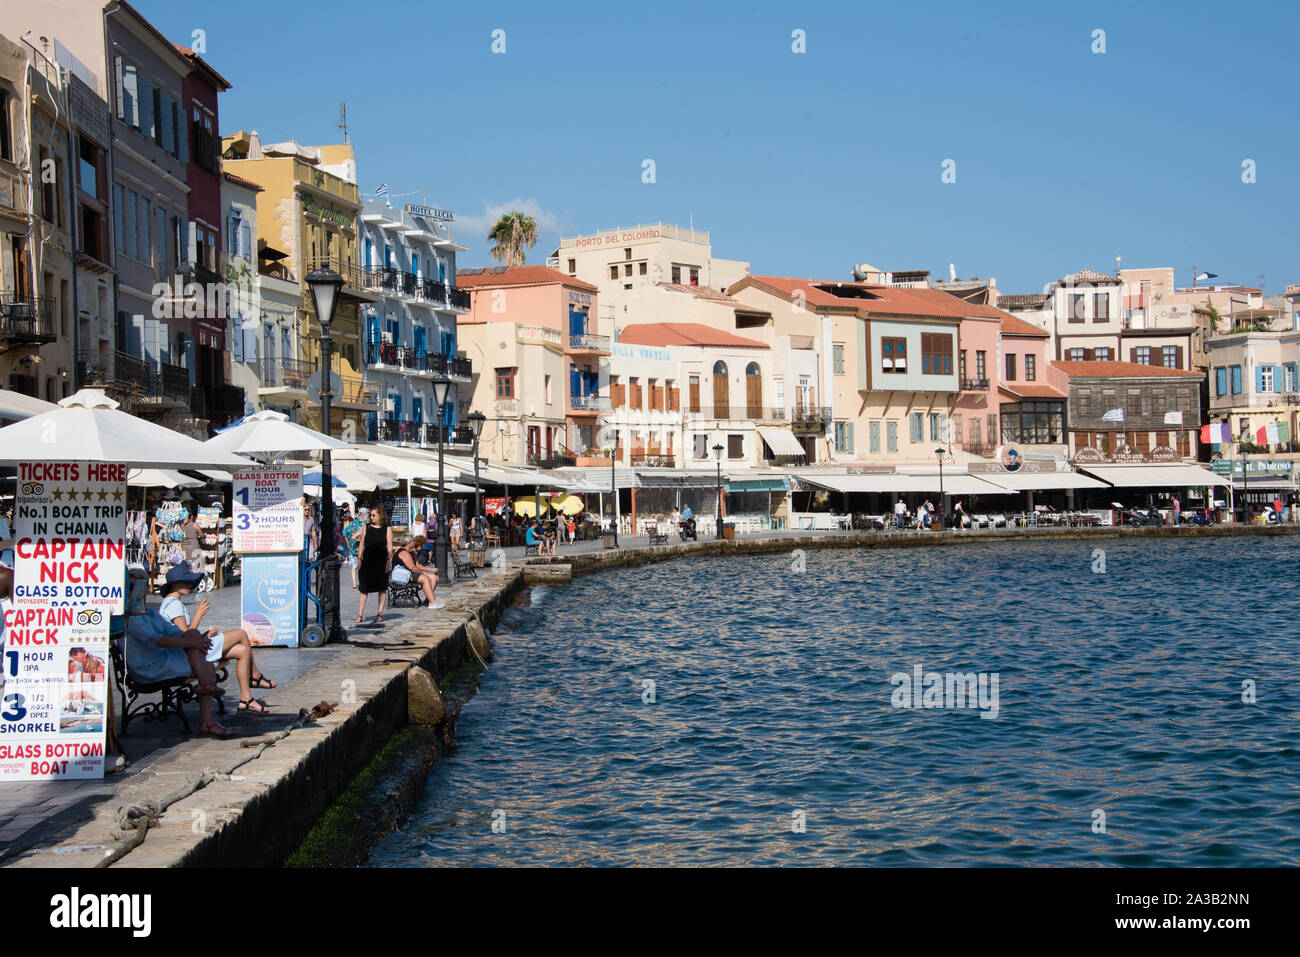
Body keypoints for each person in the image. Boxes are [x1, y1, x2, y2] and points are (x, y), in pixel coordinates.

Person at [121, 568, 231, 737]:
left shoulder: (148, 613)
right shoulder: (132, 617)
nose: (137, 592)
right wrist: (192, 641)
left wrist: (197, 639)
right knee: (207, 666)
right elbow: (155, 639)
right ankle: (207, 718)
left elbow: (174, 632)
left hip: (163, 657)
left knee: (198, 647)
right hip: (150, 666)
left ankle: (206, 711)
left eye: (140, 587)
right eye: (131, 587)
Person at [159, 565, 275, 713]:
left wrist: (206, 635)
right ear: (174, 585)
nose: (190, 586)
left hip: (191, 649)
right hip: (188, 653)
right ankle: (254, 676)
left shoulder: (171, 603)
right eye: (186, 582)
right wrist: (198, 615)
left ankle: (246, 698)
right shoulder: (173, 604)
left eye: (190, 582)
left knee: (243, 650)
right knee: (241, 633)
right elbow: (185, 635)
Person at [356, 505, 393, 624]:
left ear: (380, 516)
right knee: (364, 588)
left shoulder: (387, 529)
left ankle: (379, 614)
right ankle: (360, 614)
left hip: (381, 561)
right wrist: (359, 557)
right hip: (368, 560)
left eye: (373, 515)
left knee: (381, 588)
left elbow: (389, 546)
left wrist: (388, 561)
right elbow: (362, 543)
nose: (371, 517)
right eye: (370, 515)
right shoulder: (366, 527)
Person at [391, 535, 444, 609]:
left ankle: (428, 601)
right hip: (402, 576)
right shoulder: (404, 553)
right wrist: (423, 573)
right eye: (412, 541)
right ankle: (433, 602)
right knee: (425, 578)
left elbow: (416, 566)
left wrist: (427, 572)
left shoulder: (410, 552)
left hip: (407, 574)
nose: (414, 542)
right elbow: (412, 568)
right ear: (408, 543)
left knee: (434, 578)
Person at [342, 506, 366, 589]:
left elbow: (344, 532)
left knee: (353, 566)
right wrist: (358, 539)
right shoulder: (364, 524)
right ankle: (361, 581)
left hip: (352, 548)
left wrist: (348, 543)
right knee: (361, 566)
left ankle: (354, 583)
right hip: (361, 548)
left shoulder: (353, 523)